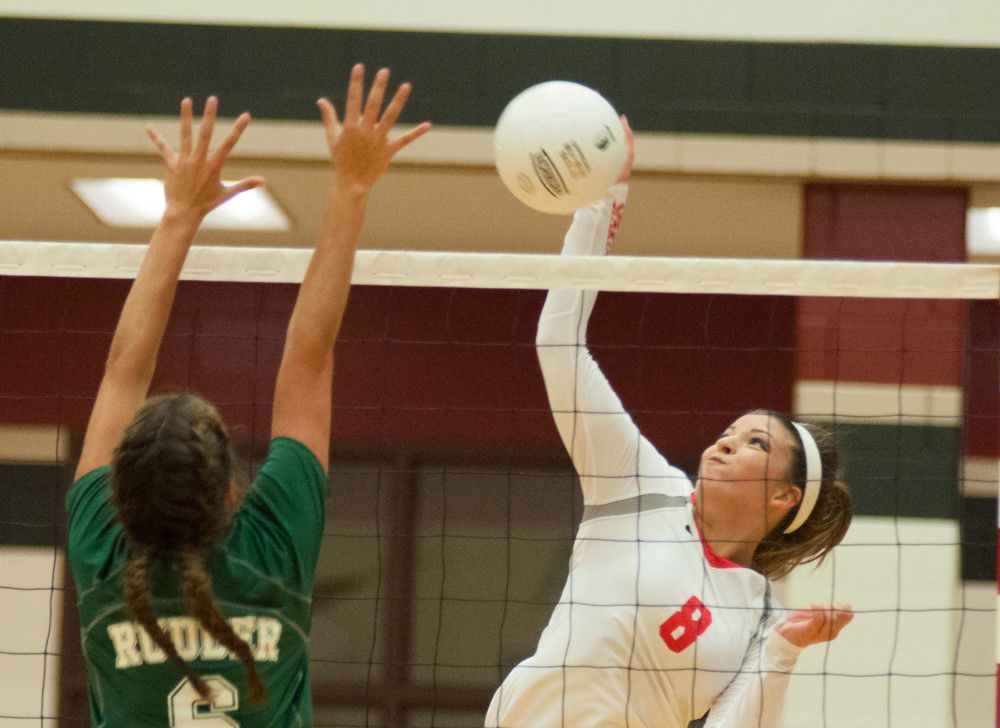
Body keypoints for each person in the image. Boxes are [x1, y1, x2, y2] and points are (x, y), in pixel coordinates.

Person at [66, 65, 429, 727]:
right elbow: (308, 355)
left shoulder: (100, 550)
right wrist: (350, 186)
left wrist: (177, 216)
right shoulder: (270, 546)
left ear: (117, 493)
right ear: (231, 490)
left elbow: (122, 371)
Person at [485, 119, 854, 728]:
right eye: (729, 432)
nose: (725, 443)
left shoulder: (761, 618)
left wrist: (786, 649)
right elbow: (559, 343)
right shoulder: (642, 486)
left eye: (753, 443)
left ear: (785, 496)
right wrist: (602, 200)